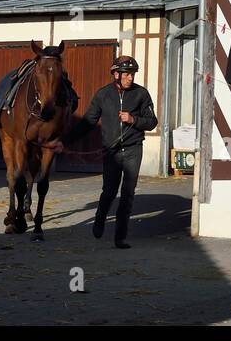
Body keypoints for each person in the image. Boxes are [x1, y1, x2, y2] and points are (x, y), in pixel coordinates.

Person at [45, 55, 157, 249]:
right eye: (127, 74)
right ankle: (100, 218)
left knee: (128, 193)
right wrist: (64, 141)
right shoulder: (103, 95)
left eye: (132, 74)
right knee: (110, 191)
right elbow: (87, 122)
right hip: (111, 151)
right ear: (116, 74)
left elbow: (152, 121)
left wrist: (133, 120)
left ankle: (120, 237)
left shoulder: (141, 94)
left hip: (133, 149)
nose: (131, 78)